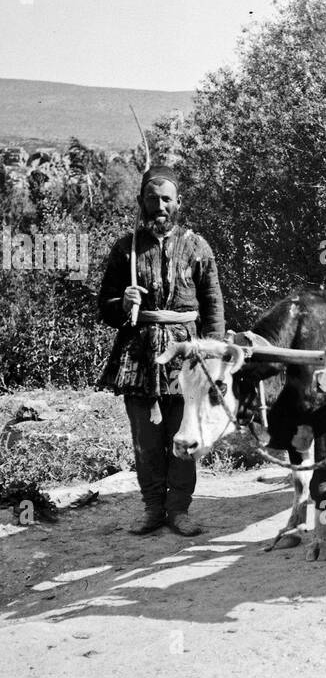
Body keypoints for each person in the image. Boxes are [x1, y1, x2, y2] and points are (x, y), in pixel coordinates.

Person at [98, 165, 225, 533]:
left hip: (186, 355)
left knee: (183, 434)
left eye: (166, 199)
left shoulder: (198, 246)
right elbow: (103, 308)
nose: (160, 206)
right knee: (147, 440)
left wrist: (212, 355)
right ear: (141, 202)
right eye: (152, 199)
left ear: (178, 203)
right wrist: (122, 301)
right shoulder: (126, 249)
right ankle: (153, 508)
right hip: (139, 357)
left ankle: (179, 511)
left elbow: (213, 306)